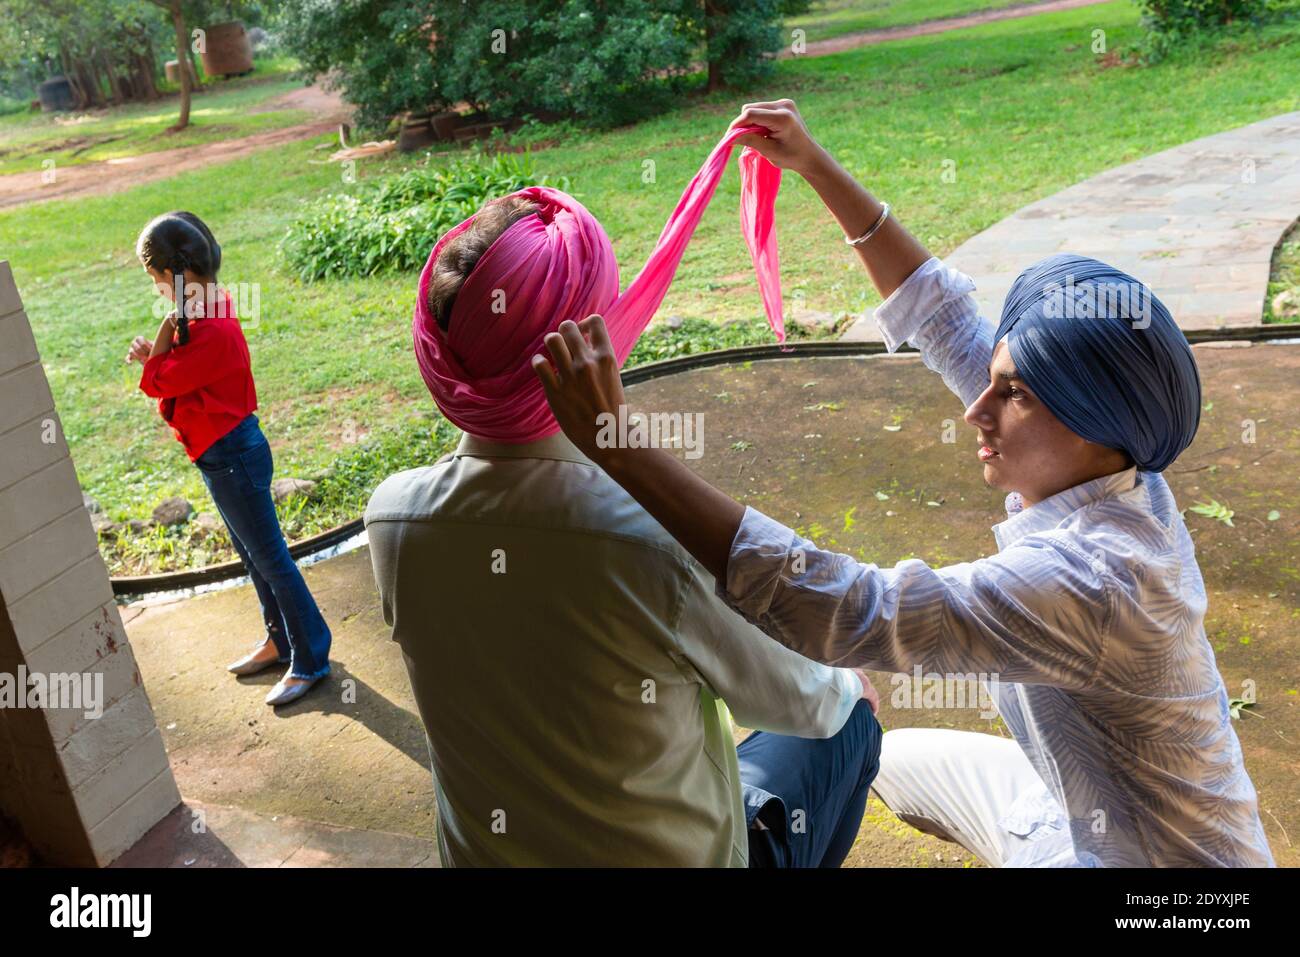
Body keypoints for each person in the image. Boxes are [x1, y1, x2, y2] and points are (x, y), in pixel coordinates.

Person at [530, 100, 1274, 867]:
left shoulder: (1094, 580)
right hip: (1075, 813)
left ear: (1089, 422)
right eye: (996, 380)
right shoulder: (1114, 464)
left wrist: (619, 447)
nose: (976, 410)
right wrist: (813, 163)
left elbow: (850, 610)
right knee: (897, 757)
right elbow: (946, 320)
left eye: (1012, 395)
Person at [365, 183, 883, 867]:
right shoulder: (649, 540)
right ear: (595, 346)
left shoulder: (393, 517)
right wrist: (852, 685)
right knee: (852, 713)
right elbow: (803, 700)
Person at [128, 211, 332, 707]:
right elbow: (168, 369)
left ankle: (311, 659)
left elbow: (160, 380)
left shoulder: (211, 328)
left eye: (154, 278)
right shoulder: (201, 309)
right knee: (254, 558)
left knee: (272, 560)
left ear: (173, 274)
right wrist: (164, 335)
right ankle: (279, 642)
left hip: (234, 456)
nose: (155, 288)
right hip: (221, 455)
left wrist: (152, 352)